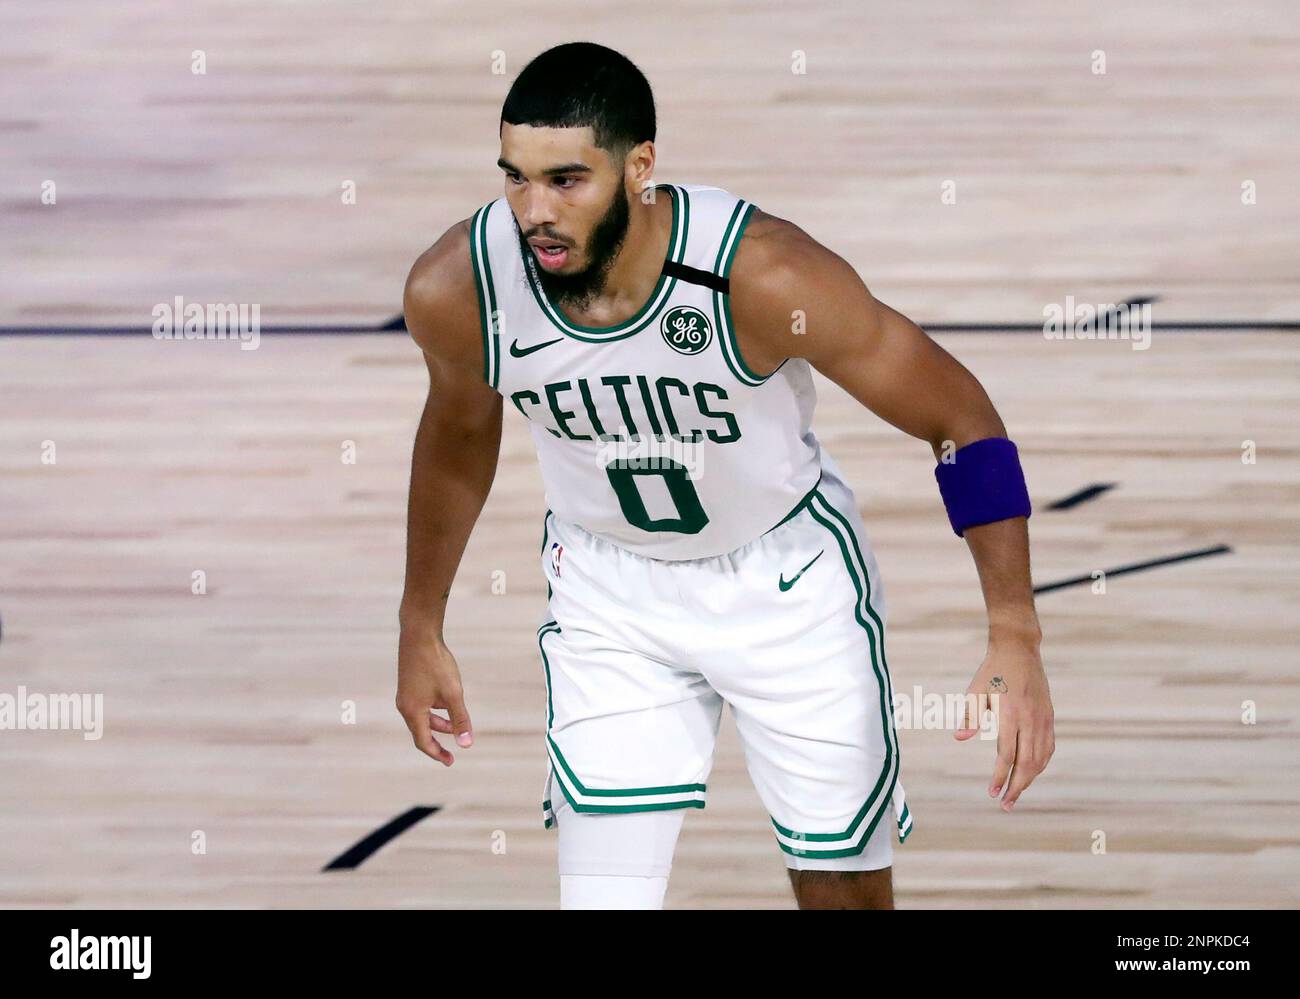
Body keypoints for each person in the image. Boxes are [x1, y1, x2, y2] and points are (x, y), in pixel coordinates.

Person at [396, 41, 1054, 910]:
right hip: (609, 594)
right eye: (515, 178)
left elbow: (963, 424)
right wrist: (421, 621)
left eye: (566, 180)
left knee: (844, 896)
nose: (534, 210)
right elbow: (456, 436)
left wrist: (1015, 631)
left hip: (785, 585)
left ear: (640, 169)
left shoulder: (761, 275)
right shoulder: (461, 286)